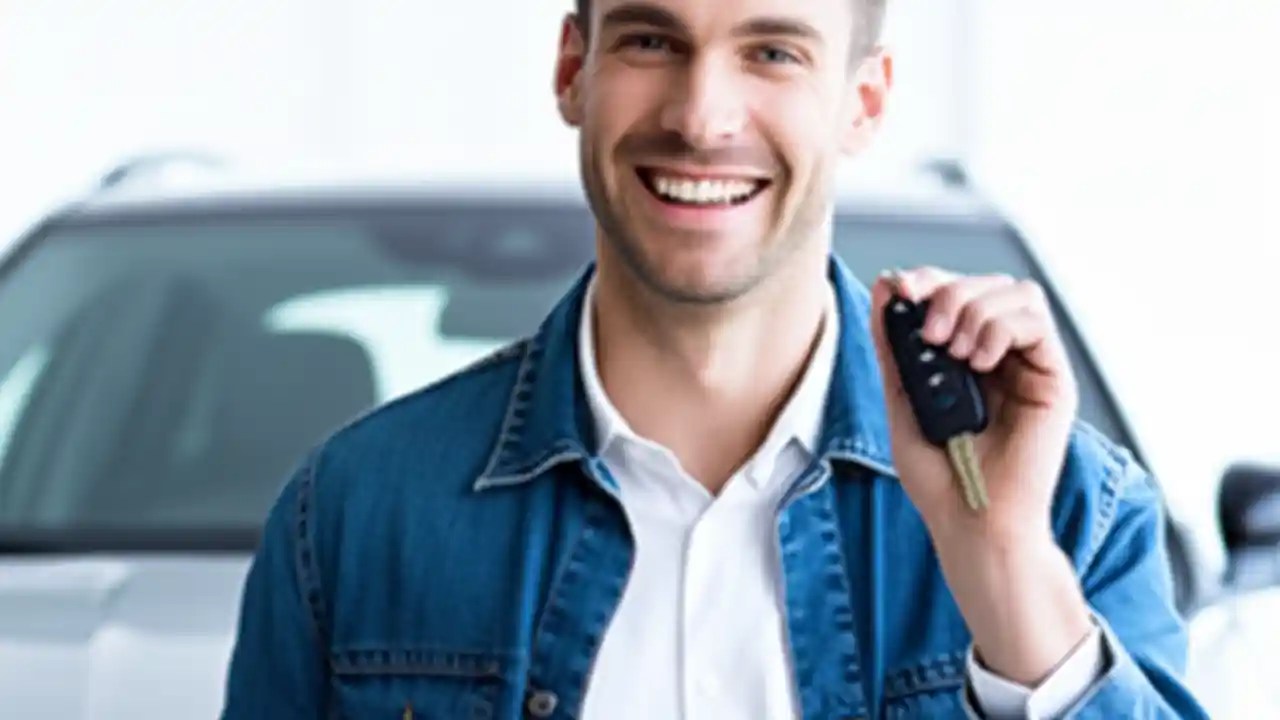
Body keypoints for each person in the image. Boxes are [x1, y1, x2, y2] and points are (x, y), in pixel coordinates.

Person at [222, 0, 1210, 717]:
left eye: (772, 51)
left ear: (863, 101)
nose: (701, 117)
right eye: (652, 40)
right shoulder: (350, 517)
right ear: (572, 70)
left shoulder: (1068, 515)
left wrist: (1002, 570)